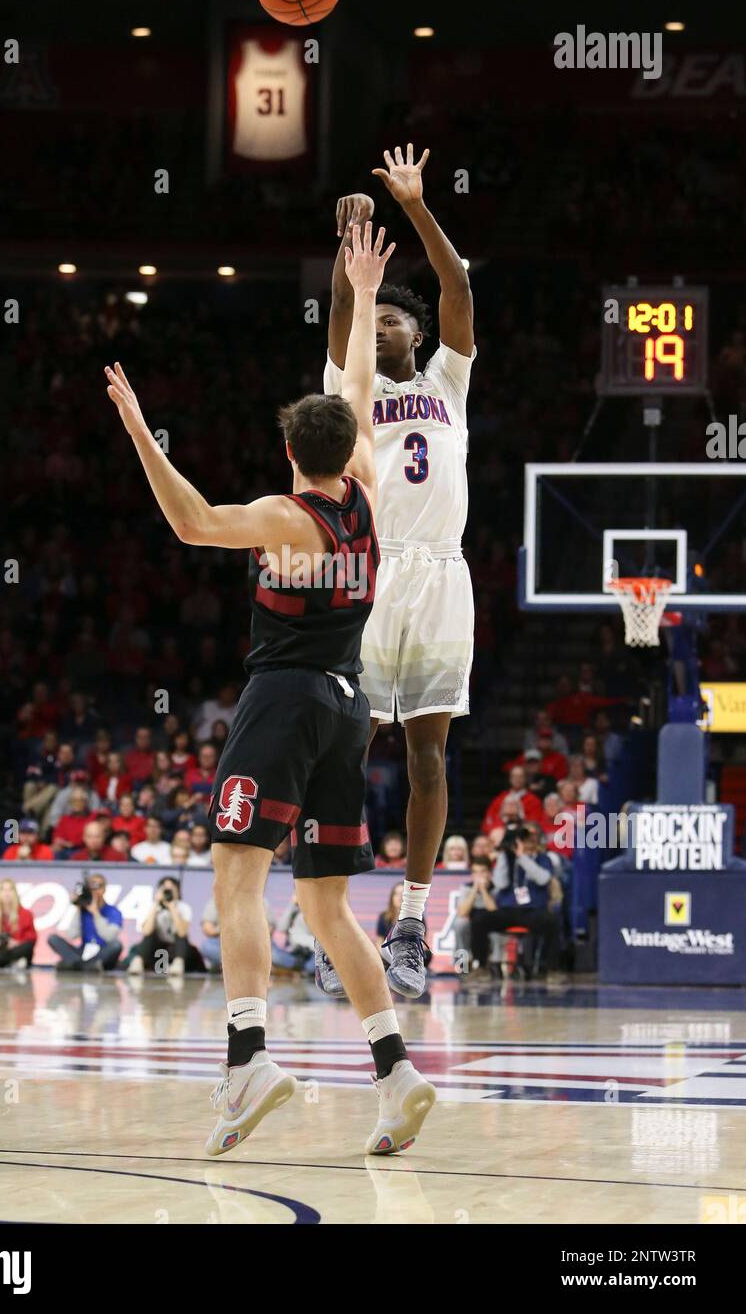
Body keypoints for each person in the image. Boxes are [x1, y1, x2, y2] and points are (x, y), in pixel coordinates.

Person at [105, 220, 435, 1158]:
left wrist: (137, 428)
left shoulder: (283, 518)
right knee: (329, 906)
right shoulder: (366, 490)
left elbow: (190, 520)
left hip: (286, 696)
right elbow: (362, 394)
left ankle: (248, 1056)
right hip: (349, 707)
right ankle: (396, 1068)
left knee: (235, 877)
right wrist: (365, 293)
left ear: (292, 451)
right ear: (344, 448)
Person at [322, 145, 476, 998]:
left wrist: (414, 208)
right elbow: (341, 306)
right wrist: (350, 244)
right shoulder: (350, 388)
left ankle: (413, 921)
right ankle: (333, 916)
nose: (380, 331)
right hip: (372, 573)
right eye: (372, 324)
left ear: (417, 336)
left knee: (427, 758)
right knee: (346, 743)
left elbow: (458, 289)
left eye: (392, 324)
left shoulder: (449, 381)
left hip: (442, 578)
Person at [469, 827, 562, 981]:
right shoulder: (508, 859)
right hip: (508, 910)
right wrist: (504, 855)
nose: (525, 843)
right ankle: (481, 967)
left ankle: (553, 970)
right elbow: (500, 883)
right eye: (521, 840)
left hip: (533, 911)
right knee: (479, 919)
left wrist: (522, 857)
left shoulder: (543, 858)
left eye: (528, 840)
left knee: (552, 921)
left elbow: (543, 879)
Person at [123, 876, 205, 976]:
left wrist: (172, 907)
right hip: (158, 951)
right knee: (149, 935)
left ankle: (178, 965)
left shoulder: (183, 907)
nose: (167, 892)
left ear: (177, 891)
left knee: (181, 936)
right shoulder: (153, 906)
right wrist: (156, 905)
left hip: (177, 949)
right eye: (165, 889)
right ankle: (137, 963)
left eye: (171, 889)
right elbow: (146, 931)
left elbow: (182, 932)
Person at [48, 872, 123, 971]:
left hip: (102, 952)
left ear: (104, 889)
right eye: (91, 888)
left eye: (98, 887)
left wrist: (96, 913)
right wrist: (78, 909)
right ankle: (86, 966)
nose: (94, 891)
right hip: (83, 951)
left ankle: (74, 965)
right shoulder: (83, 910)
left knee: (116, 945)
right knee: (53, 938)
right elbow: (72, 935)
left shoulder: (113, 911)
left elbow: (110, 937)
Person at [271, 894, 316, 974]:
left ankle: (306, 971)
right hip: (292, 955)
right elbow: (281, 928)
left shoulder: (319, 910)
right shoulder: (295, 909)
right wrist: (292, 904)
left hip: (311, 956)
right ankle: (302, 971)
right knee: (271, 950)